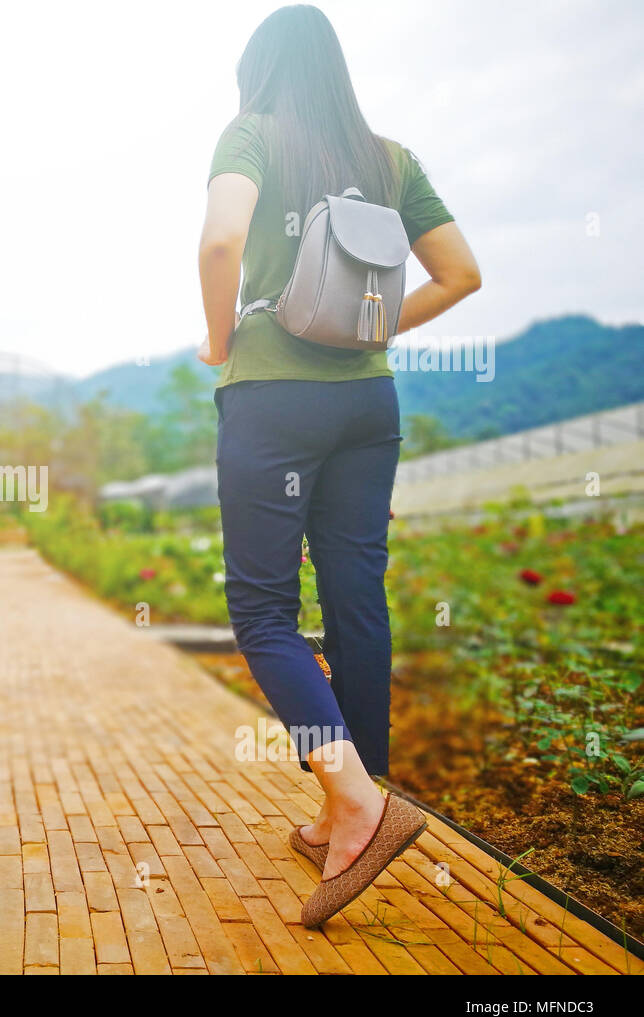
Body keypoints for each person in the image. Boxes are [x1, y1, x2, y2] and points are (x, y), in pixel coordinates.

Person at [196, 4, 481, 927]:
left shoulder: (252, 134)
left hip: (273, 400)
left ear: (261, 72)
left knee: (264, 611)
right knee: (357, 598)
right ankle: (349, 801)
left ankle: (357, 801)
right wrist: (367, 327)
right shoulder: (388, 158)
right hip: (369, 404)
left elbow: (220, 243)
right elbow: (461, 274)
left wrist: (217, 339)